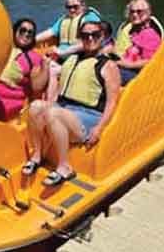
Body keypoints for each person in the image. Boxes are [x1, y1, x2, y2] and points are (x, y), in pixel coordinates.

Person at [24, 20, 121, 186]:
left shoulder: (108, 65)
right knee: (35, 107)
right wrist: (49, 103)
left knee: (53, 113)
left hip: (87, 117)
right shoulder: (72, 59)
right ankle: (37, 155)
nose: (90, 38)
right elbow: (59, 88)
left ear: (102, 36)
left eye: (95, 35)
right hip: (65, 109)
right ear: (80, 37)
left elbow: (112, 102)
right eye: (85, 35)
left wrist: (99, 128)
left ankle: (64, 166)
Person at [0, 18, 49, 121]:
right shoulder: (2, 49)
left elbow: (37, 88)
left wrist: (46, 65)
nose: (26, 34)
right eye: (23, 30)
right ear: (15, 31)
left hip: (8, 104)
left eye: (30, 33)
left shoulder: (33, 58)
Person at [35, 0, 101, 57]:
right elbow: (50, 32)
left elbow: (89, 42)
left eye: (75, 7)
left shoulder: (91, 18)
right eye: (69, 7)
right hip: (60, 55)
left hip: (79, 55)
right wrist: (32, 40)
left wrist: (63, 52)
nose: (72, 10)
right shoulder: (64, 19)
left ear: (83, 5)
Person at [116, 0, 162, 85]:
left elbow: (150, 62)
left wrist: (125, 64)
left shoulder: (150, 34)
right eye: (132, 11)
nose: (135, 14)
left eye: (139, 11)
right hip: (130, 72)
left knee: (107, 71)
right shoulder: (136, 31)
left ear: (148, 12)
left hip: (142, 78)